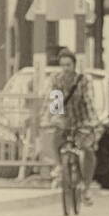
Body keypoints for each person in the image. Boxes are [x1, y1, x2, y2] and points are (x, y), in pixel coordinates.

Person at [45, 48, 100, 204]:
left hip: (83, 119)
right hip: (65, 118)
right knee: (56, 138)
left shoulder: (83, 80)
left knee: (88, 150)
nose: (65, 69)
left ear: (74, 65)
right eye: (62, 65)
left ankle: (86, 188)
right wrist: (54, 117)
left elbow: (88, 100)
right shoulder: (56, 80)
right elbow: (55, 101)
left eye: (68, 65)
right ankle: (60, 167)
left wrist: (92, 122)